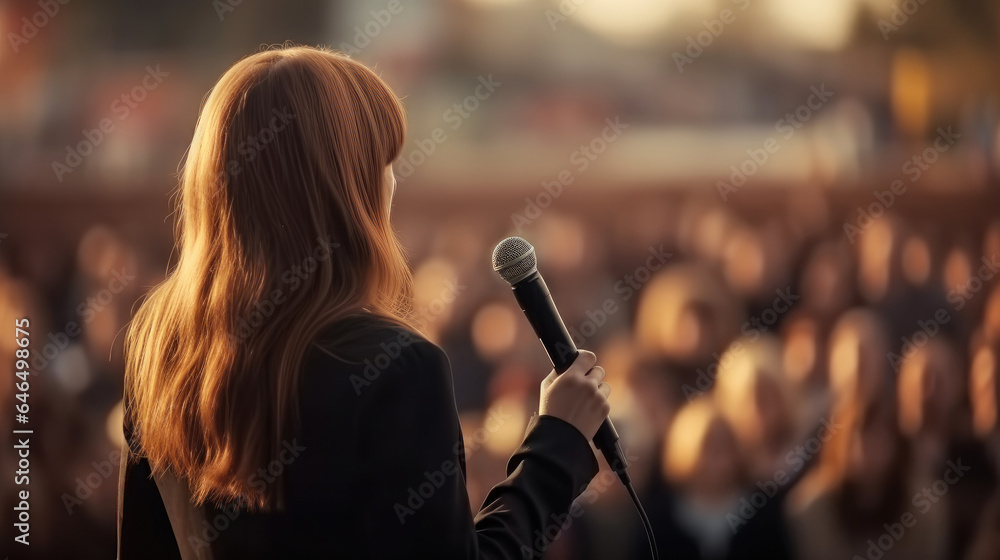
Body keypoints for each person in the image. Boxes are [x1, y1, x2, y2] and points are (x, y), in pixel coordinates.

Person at [116, 45, 613, 559]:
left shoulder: (160, 346)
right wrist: (557, 446)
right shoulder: (395, 369)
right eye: (383, 162)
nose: (392, 181)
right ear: (343, 187)